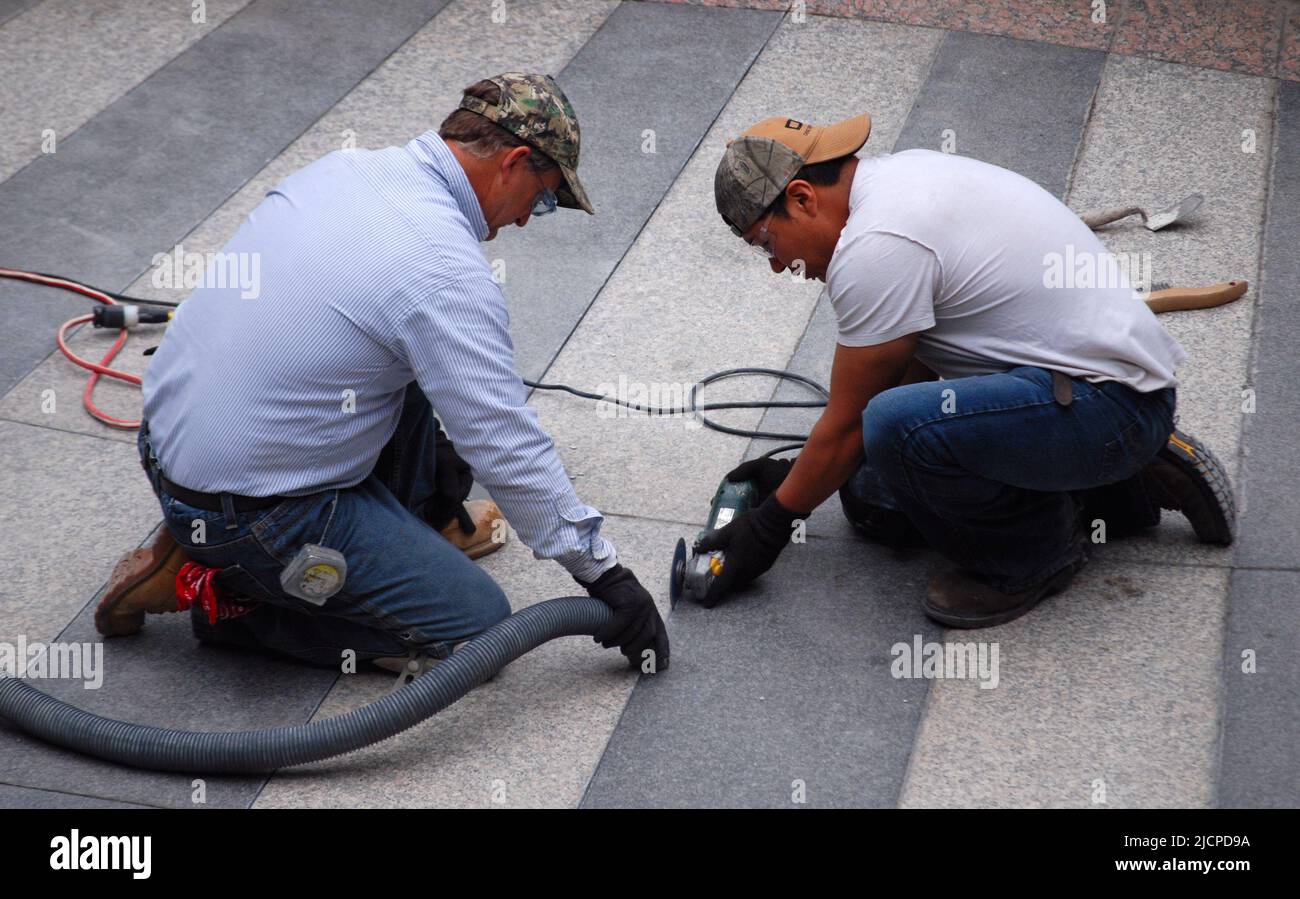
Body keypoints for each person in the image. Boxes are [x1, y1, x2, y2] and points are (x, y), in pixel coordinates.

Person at [97, 74, 669, 674]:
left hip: (166, 447)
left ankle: (397, 534)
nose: (529, 220)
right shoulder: (442, 270)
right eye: (544, 198)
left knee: (416, 353)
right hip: (252, 513)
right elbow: (502, 439)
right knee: (475, 628)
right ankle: (227, 598)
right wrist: (605, 574)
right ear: (515, 162)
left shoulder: (341, 169)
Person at [701, 113, 1234, 627]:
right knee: (873, 499)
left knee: (892, 431)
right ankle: (1125, 484)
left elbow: (856, 421)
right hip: (1097, 388)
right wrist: (799, 475)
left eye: (767, 244)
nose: (776, 266)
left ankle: (1034, 554)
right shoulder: (898, 178)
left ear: (802, 197)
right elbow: (900, 371)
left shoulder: (876, 247)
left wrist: (770, 528)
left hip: (1106, 405)